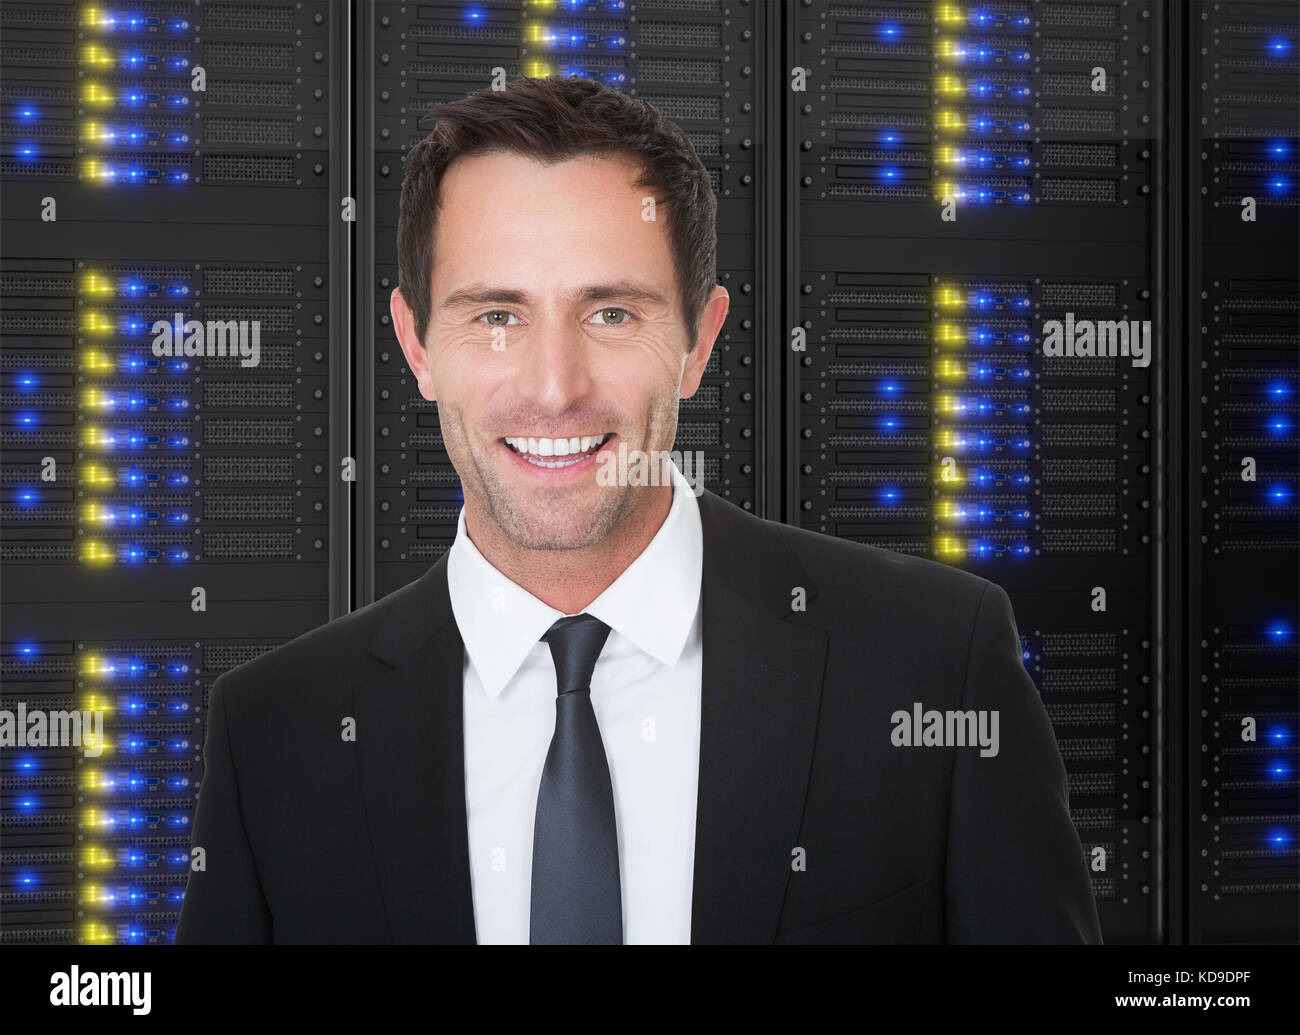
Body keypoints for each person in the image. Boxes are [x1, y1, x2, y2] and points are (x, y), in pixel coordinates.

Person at [175, 75, 1102, 945]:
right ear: (417, 346)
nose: (554, 387)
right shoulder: (275, 735)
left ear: (698, 342)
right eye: (496, 314)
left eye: (611, 313)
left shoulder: (937, 663)